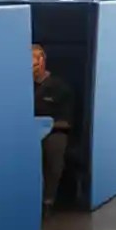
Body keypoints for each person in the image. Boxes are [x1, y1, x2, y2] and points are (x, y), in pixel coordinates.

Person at [32, 45, 75, 216]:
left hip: (53, 131)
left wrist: (45, 125)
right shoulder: (20, 86)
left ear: (41, 62)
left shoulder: (60, 87)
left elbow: (67, 122)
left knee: (54, 146)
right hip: (24, 130)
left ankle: (47, 200)